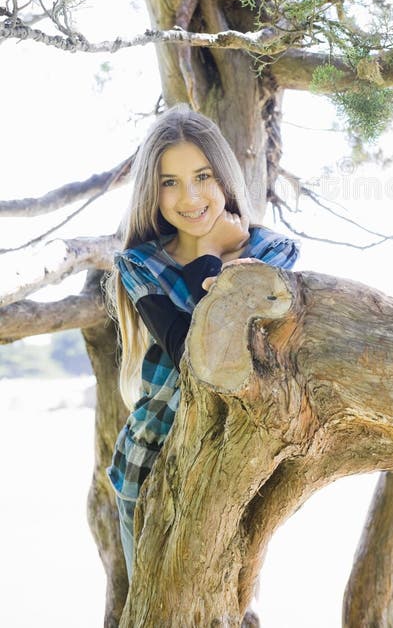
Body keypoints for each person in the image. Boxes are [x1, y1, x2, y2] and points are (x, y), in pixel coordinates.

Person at [105, 104, 299, 578]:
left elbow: (243, 353)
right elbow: (190, 351)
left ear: (224, 177)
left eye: (202, 175)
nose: (189, 196)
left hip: (236, 467)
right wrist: (210, 251)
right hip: (148, 465)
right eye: (170, 182)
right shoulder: (140, 265)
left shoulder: (272, 252)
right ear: (154, 190)